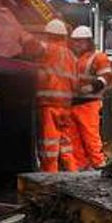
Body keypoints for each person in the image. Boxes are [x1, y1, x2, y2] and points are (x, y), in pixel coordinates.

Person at [32, 18, 79, 172]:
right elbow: (76, 82)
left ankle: (49, 179)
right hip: (65, 107)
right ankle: (74, 176)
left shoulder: (46, 49)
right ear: (64, 36)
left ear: (49, 35)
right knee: (65, 146)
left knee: (49, 147)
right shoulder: (72, 56)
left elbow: (31, 47)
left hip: (48, 105)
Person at [67, 25, 112, 170]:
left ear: (89, 42)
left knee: (90, 137)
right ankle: (80, 167)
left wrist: (93, 86)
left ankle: (99, 165)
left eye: (81, 41)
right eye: (75, 41)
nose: (78, 44)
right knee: (73, 139)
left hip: (89, 103)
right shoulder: (72, 57)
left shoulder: (98, 57)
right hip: (73, 103)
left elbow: (107, 76)